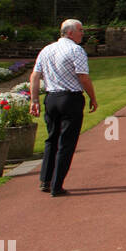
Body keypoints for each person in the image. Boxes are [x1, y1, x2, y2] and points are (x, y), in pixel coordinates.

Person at [29, 18, 97, 197]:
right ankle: (57, 185)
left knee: (52, 139)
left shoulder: (46, 50)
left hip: (51, 98)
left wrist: (34, 100)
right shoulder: (76, 50)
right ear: (70, 32)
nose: (83, 33)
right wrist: (93, 98)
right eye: (80, 30)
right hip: (70, 98)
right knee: (66, 142)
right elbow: (83, 77)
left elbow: (35, 76)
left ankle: (45, 180)